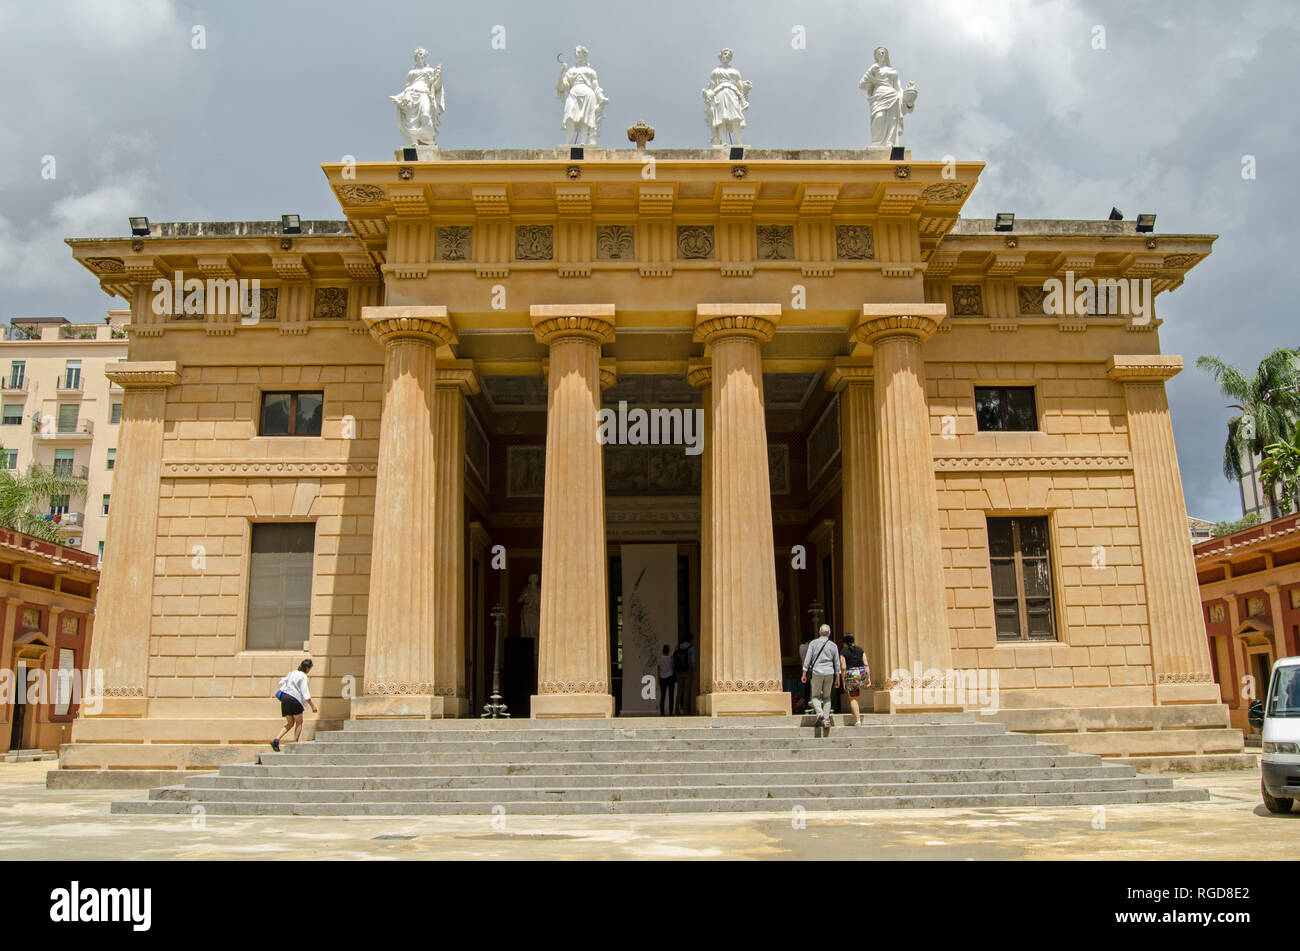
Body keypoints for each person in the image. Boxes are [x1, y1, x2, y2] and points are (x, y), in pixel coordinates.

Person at [271, 659, 317, 752]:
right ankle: (295, 743)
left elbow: (282, 682)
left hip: (284, 697)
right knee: (299, 722)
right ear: (307, 668)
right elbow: (305, 692)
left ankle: (276, 740)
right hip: (294, 699)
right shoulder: (303, 676)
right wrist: (312, 705)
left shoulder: (293, 673)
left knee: (290, 723)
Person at [801, 624, 840, 729]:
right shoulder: (833, 645)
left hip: (817, 672)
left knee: (815, 696)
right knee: (827, 697)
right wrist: (838, 678)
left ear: (819, 632)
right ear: (829, 633)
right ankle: (826, 720)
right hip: (829, 672)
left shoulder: (813, 643)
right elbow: (837, 663)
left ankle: (819, 713)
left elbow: (807, 659)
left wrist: (804, 673)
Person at [839, 633, 871, 726]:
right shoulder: (860, 650)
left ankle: (858, 720)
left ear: (844, 643)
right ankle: (856, 712)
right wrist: (868, 677)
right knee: (856, 694)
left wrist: (843, 680)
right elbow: (866, 664)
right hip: (861, 673)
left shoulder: (843, 652)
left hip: (851, 674)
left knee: (853, 698)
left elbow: (843, 667)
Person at [672, 634, 696, 714]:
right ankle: (685, 710)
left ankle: (676, 710)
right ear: (690, 640)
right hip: (687, 671)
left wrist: (674, 669)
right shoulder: (691, 648)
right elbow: (692, 661)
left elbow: (674, 658)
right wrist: (693, 671)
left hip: (678, 671)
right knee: (686, 691)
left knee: (679, 691)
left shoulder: (678, 647)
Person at [656, 644, 676, 717]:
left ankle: (662, 712)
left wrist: (658, 680)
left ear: (662, 650)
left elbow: (658, 670)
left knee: (663, 696)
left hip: (662, 679)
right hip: (670, 678)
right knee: (671, 696)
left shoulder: (660, 659)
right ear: (669, 651)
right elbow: (673, 668)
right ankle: (671, 712)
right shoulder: (671, 659)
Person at [796, 632, 814, 713]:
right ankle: (811, 704)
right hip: (810, 669)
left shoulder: (801, 647)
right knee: (812, 688)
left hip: (804, 669)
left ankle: (806, 705)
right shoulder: (809, 647)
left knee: (806, 689)